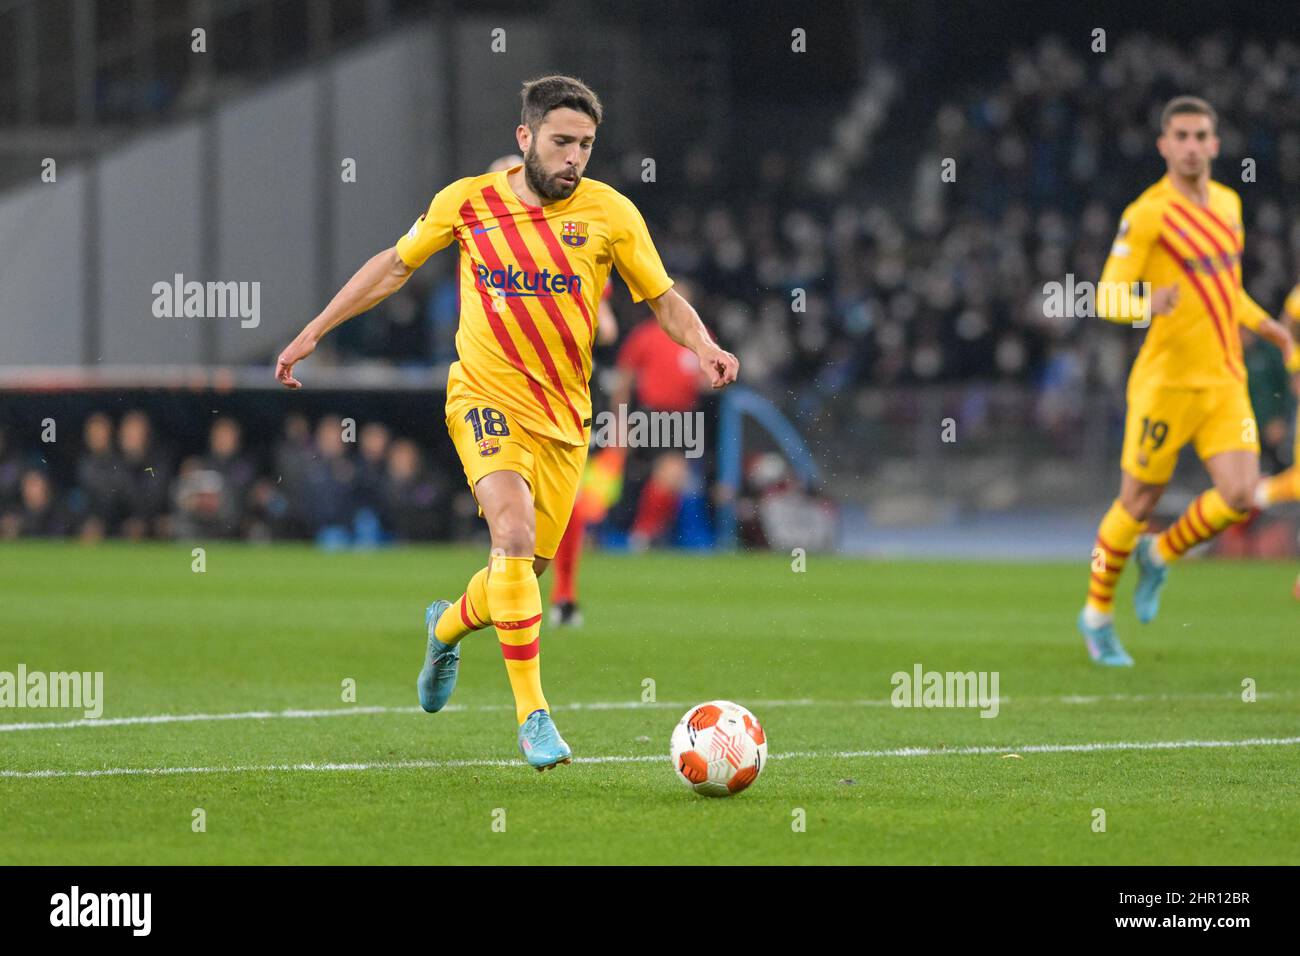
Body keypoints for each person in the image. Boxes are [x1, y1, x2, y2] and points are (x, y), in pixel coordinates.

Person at [274, 75, 739, 769]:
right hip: (484, 401)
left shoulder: (611, 214)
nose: (574, 157)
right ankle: (534, 719)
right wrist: (316, 328)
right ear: (524, 139)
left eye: (585, 144)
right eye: (561, 142)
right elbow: (394, 267)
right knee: (512, 531)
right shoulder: (467, 203)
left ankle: (446, 625)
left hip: (564, 421)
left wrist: (702, 343)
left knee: (522, 570)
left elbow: (662, 298)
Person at [1078, 96, 1295, 666]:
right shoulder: (1146, 213)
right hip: (1166, 383)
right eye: (1182, 135)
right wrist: (1150, 299)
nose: (1193, 145)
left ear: (1216, 145)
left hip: (1223, 379)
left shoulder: (1228, 203)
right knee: (1136, 500)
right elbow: (1106, 297)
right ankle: (1097, 614)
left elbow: (1226, 290)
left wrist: (1264, 323)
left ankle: (1162, 555)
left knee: (1241, 495)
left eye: (1202, 135)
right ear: (1164, 145)